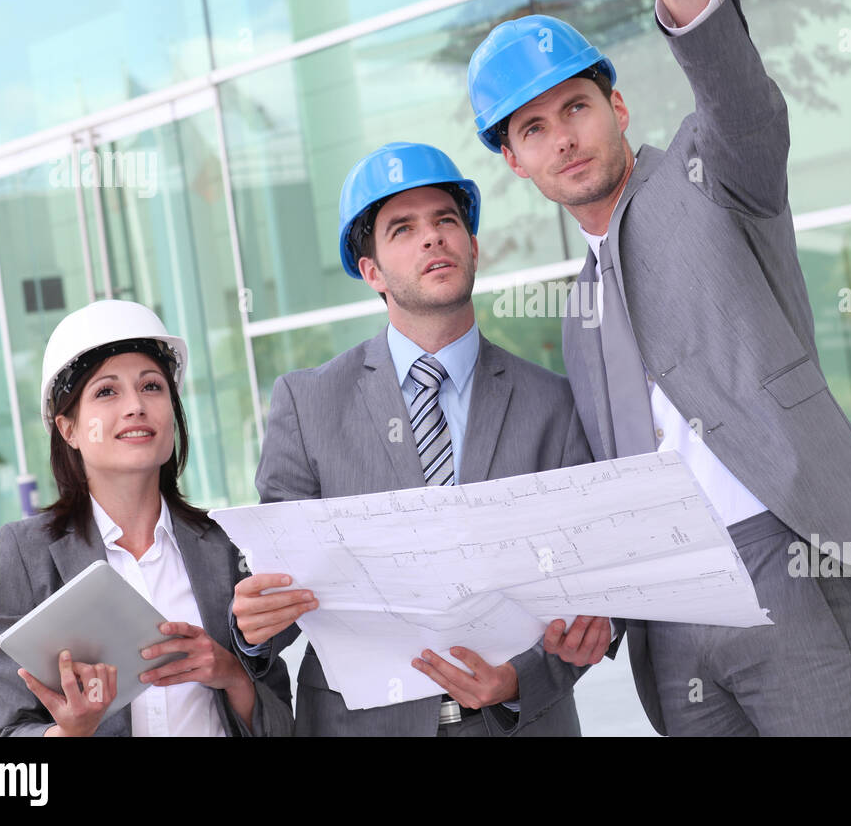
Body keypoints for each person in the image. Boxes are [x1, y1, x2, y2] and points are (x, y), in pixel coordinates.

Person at [464, 0, 851, 736]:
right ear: (517, 163)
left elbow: (746, 109)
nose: (562, 136)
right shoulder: (578, 306)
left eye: (576, 108)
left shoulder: (711, 177)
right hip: (669, 615)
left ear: (617, 108)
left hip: (789, 568)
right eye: (532, 129)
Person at [230, 141, 612, 736]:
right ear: (372, 271)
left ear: (473, 246)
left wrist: (521, 679)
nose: (432, 238)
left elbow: (590, 595)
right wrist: (252, 628)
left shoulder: (553, 404)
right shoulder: (308, 405)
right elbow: (286, 591)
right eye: (403, 229)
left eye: (446, 221)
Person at [0, 299, 293, 736]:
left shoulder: (230, 546)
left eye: (151, 386)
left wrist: (231, 675)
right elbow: (10, 730)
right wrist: (71, 731)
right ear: (68, 429)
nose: (135, 407)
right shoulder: (23, 555)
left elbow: (282, 724)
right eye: (107, 391)